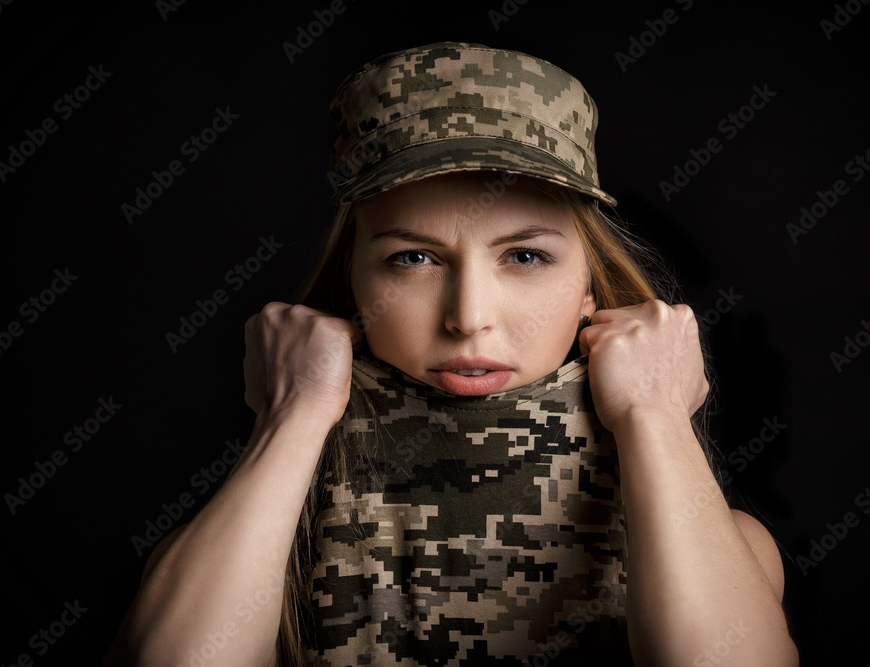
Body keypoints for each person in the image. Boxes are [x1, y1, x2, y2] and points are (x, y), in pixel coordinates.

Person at [104, 42, 798, 666]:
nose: (468, 318)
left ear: (588, 286)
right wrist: (293, 416)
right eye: (413, 258)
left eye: (525, 256)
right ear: (354, 279)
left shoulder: (715, 540)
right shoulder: (262, 535)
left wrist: (655, 417)